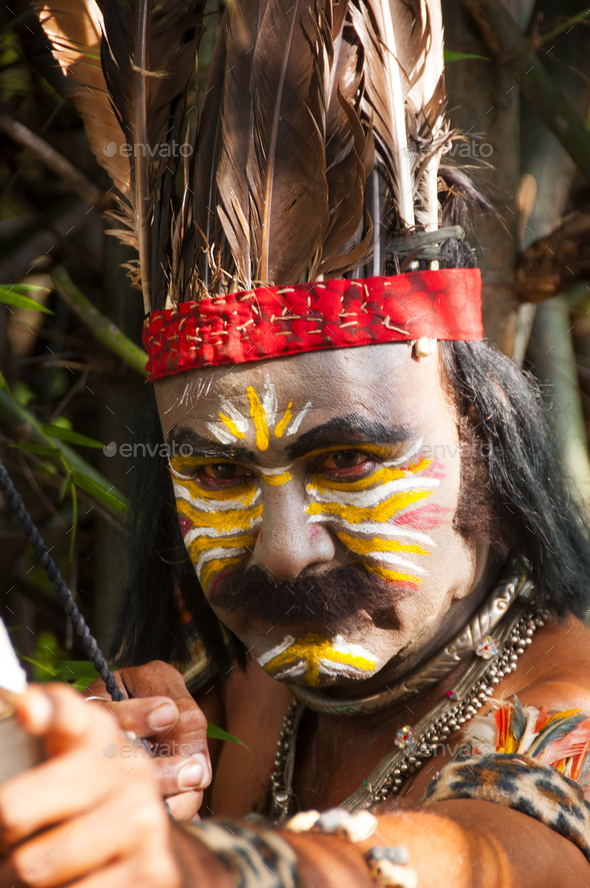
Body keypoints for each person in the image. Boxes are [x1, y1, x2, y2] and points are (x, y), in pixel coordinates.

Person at [3, 0, 590, 884]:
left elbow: (499, 857)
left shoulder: (569, 704)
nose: (282, 552)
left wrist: (189, 865)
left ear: (481, 434)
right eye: (216, 471)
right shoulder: (229, 695)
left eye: (348, 458)